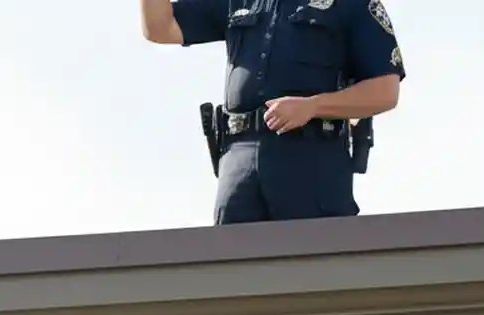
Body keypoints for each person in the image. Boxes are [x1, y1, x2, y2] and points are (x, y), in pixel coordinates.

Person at [140, 0, 405, 224]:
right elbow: (161, 28)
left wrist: (312, 106)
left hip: (311, 160)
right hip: (238, 162)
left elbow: (385, 90)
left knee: (317, 271)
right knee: (231, 272)